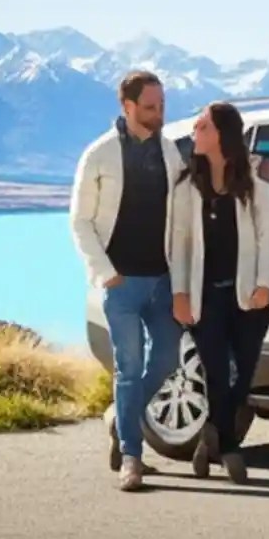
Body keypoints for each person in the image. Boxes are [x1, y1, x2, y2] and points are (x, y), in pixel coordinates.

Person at [68, 69, 187, 492]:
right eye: (151, 107)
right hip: (121, 283)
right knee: (129, 368)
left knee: (168, 359)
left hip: (162, 279)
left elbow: (185, 211)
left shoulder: (170, 151)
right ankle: (132, 458)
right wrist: (106, 274)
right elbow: (80, 221)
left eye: (162, 105)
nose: (159, 113)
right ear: (127, 105)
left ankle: (121, 419)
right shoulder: (99, 154)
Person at [170, 102, 269, 485]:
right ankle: (229, 448)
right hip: (205, 297)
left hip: (248, 296)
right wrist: (180, 293)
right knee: (216, 374)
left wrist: (264, 284)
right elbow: (179, 245)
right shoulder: (186, 189)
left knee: (241, 378)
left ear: (222, 135)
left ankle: (209, 435)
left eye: (202, 127)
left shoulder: (254, 187)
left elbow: (266, 239)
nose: (194, 133)